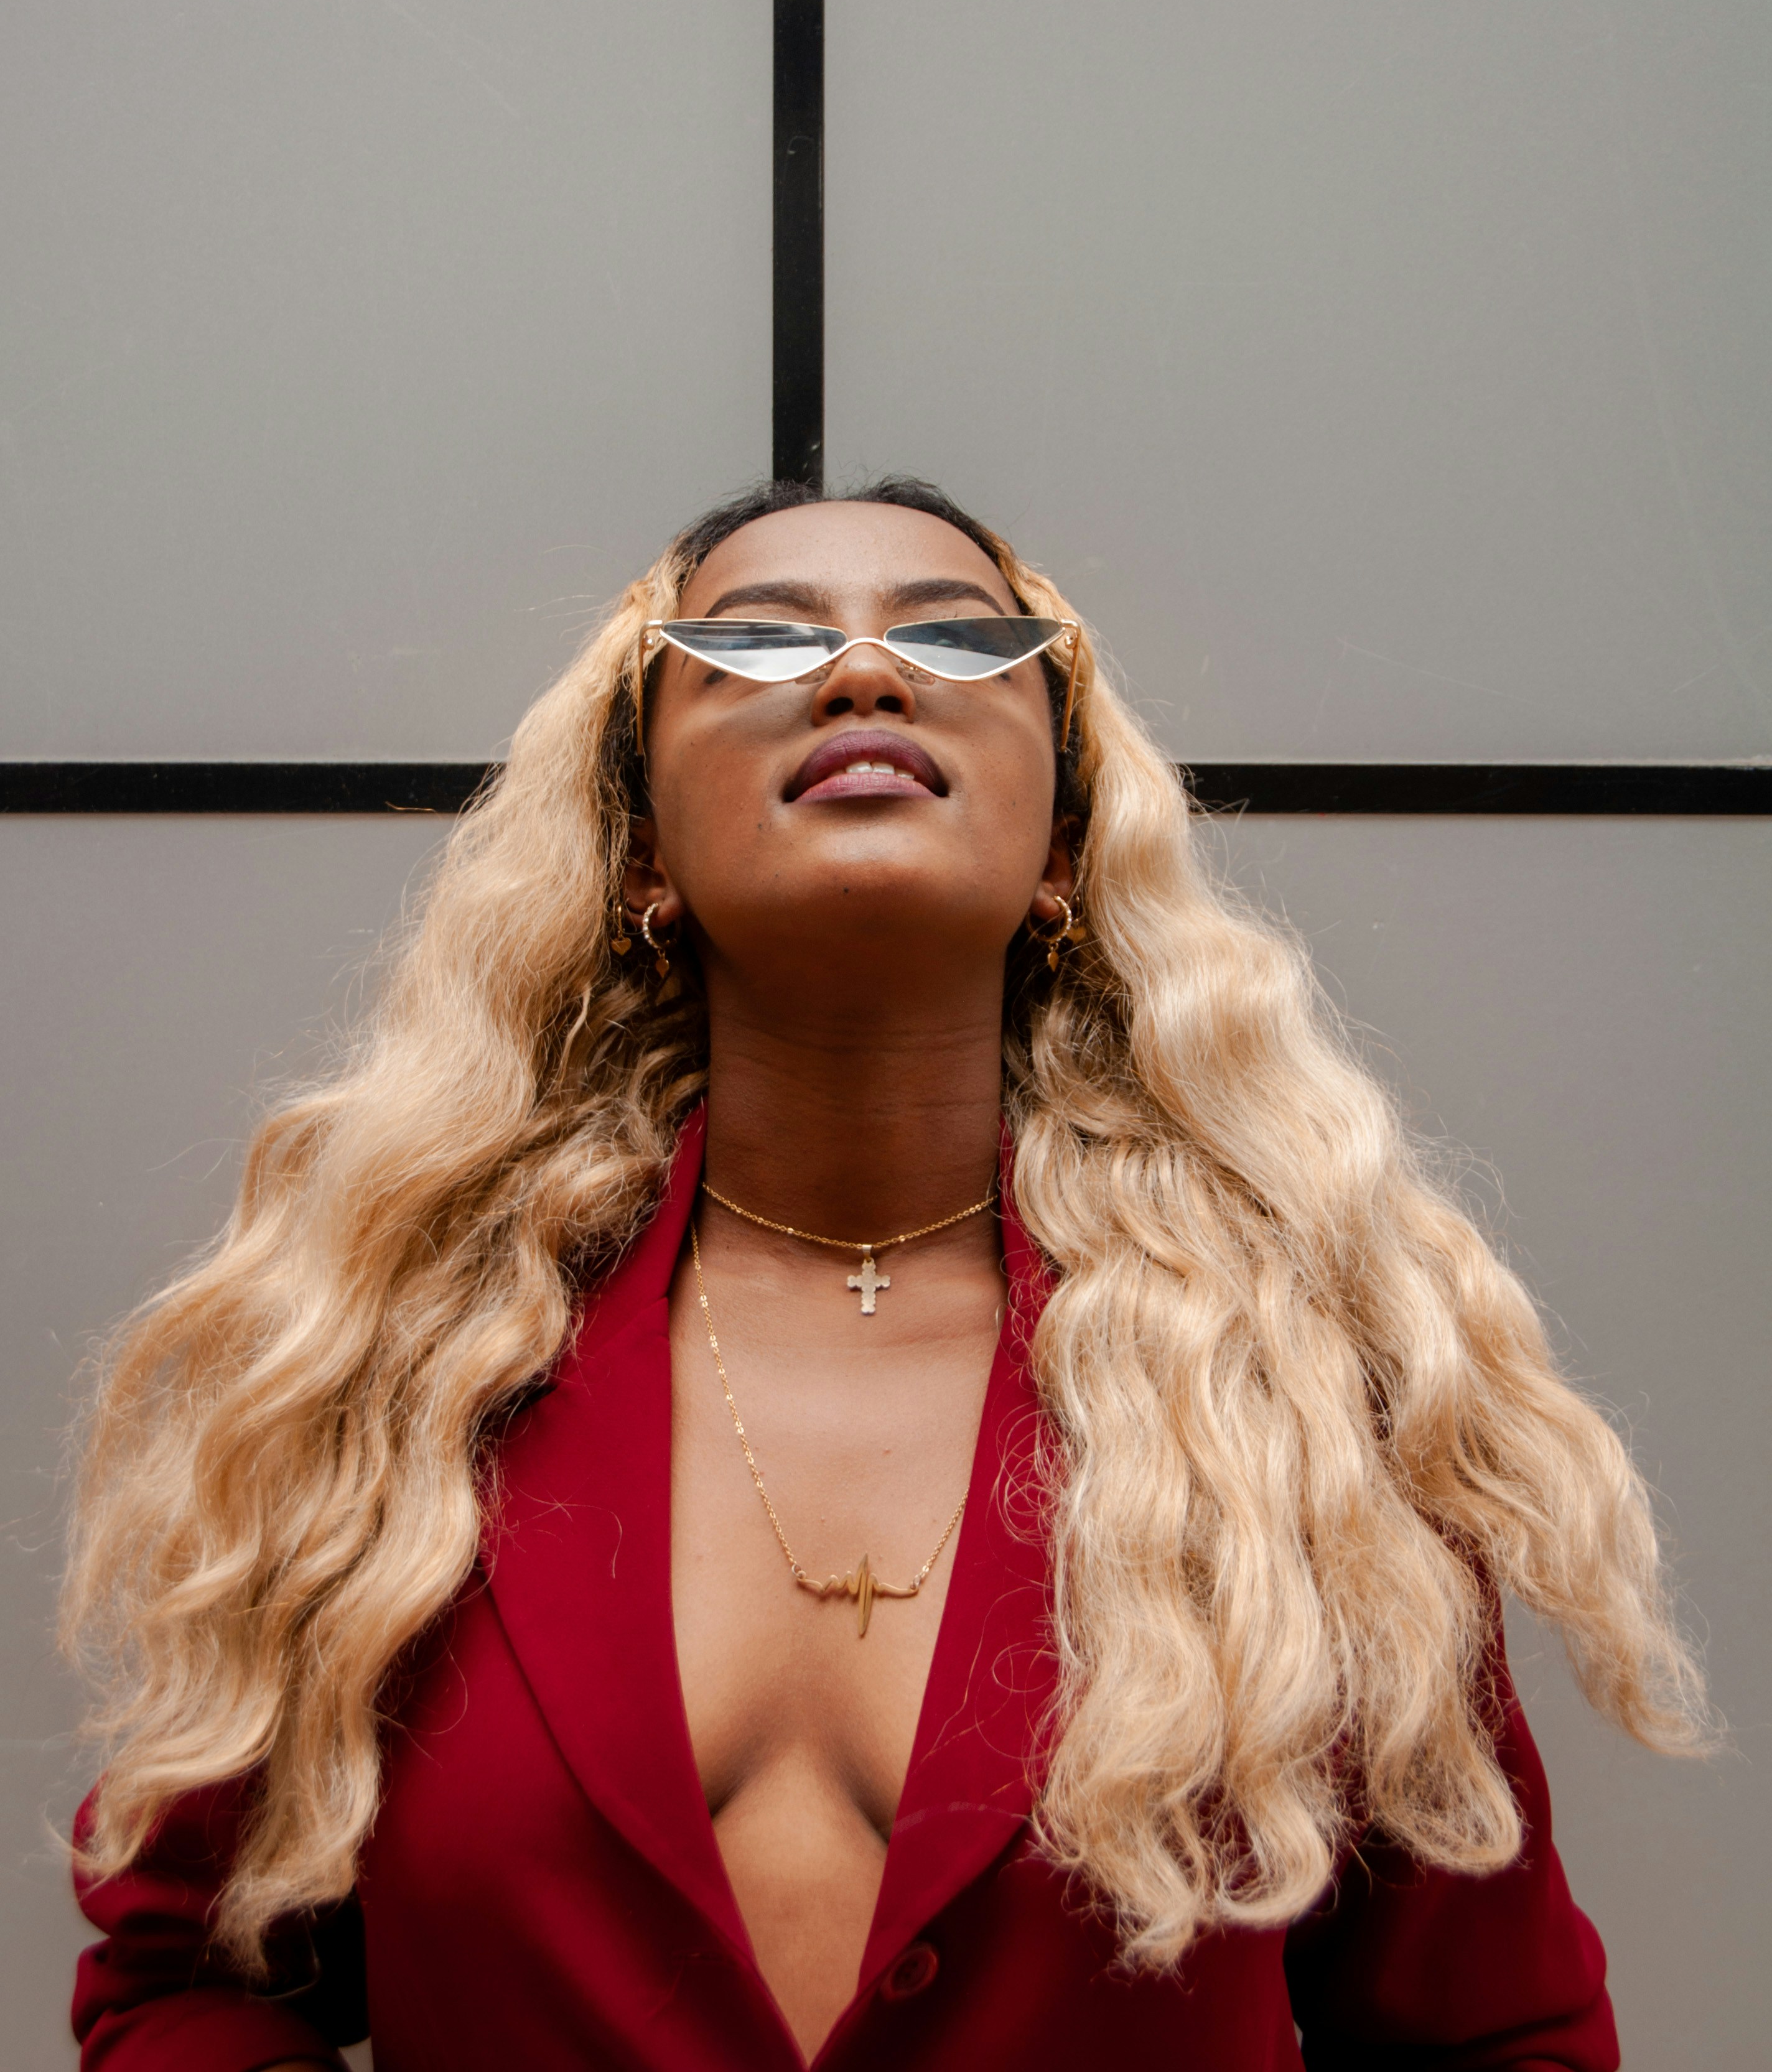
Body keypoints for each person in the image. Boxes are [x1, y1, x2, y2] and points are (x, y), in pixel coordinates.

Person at [64, 476, 1708, 2071]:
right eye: (760, 642)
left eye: (959, 639)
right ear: (639, 850)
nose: (864, 673)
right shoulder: (395, 1382)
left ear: (1064, 847)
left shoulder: (1295, 1413)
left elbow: (1501, 2039)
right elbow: (182, 1984)